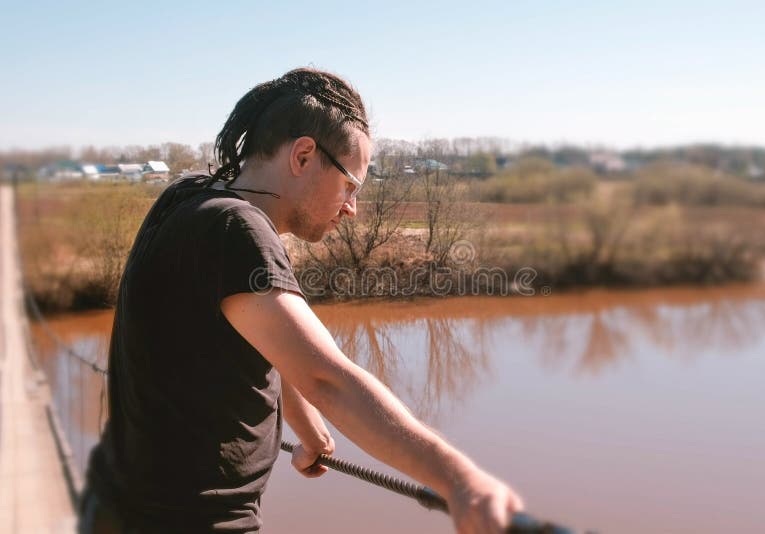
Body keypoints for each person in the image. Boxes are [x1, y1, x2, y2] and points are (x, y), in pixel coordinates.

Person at [80, 67, 523, 533]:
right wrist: (461, 481)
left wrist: (306, 427)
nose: (351, 208)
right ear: (304, 155)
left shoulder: (188, 197)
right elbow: (326, 377)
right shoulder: (237, 230)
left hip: (122, 507)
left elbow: (260, 336)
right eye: (350, 185)